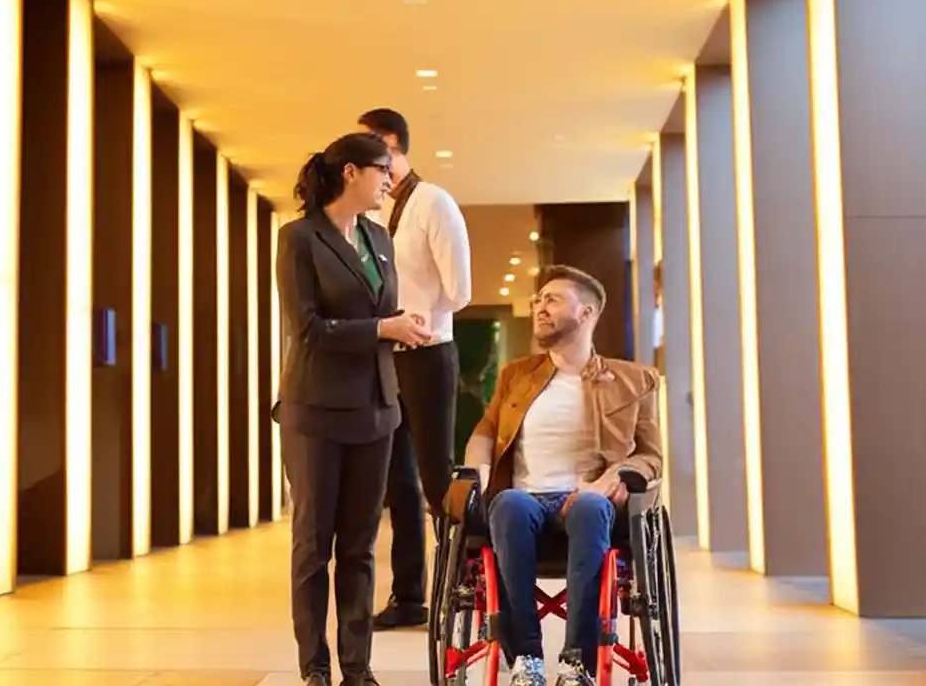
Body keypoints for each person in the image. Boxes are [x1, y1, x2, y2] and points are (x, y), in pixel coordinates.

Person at [274, 132, 433, 686]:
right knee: (315, 545)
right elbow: (308, 329)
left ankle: (357, 668)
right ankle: (314, 667)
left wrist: (401, 327)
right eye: (382, 170)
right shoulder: (298, 238)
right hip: (315, 410)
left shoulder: (379, 238)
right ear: (350, 173)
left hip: (377, 409)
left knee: (362, 547)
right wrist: (380, 328)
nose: (390, 180)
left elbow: (378, 316)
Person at [462, 265, 663, 686]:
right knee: (510, 504)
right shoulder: (517, 375)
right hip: (524, 501)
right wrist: (477, 473)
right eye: (538, 300)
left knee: (590, 506)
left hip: (589, 501)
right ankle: (527, 660)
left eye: (552, 299)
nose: (540, 307)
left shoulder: (633, 380)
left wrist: (616, 475)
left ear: (587, 312)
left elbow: (651, 456)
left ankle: (577, 663)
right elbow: (486, 431)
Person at [357, 108, 472, 630]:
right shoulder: (371, 211)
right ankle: (408, 597)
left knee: (433, 477)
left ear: (395, 145)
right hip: (383, 354)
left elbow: (460, 289)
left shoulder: (434, 202)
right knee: (395, 483)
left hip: (428, 352)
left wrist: (418, 318)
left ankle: (458, 589)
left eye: (373, 148)